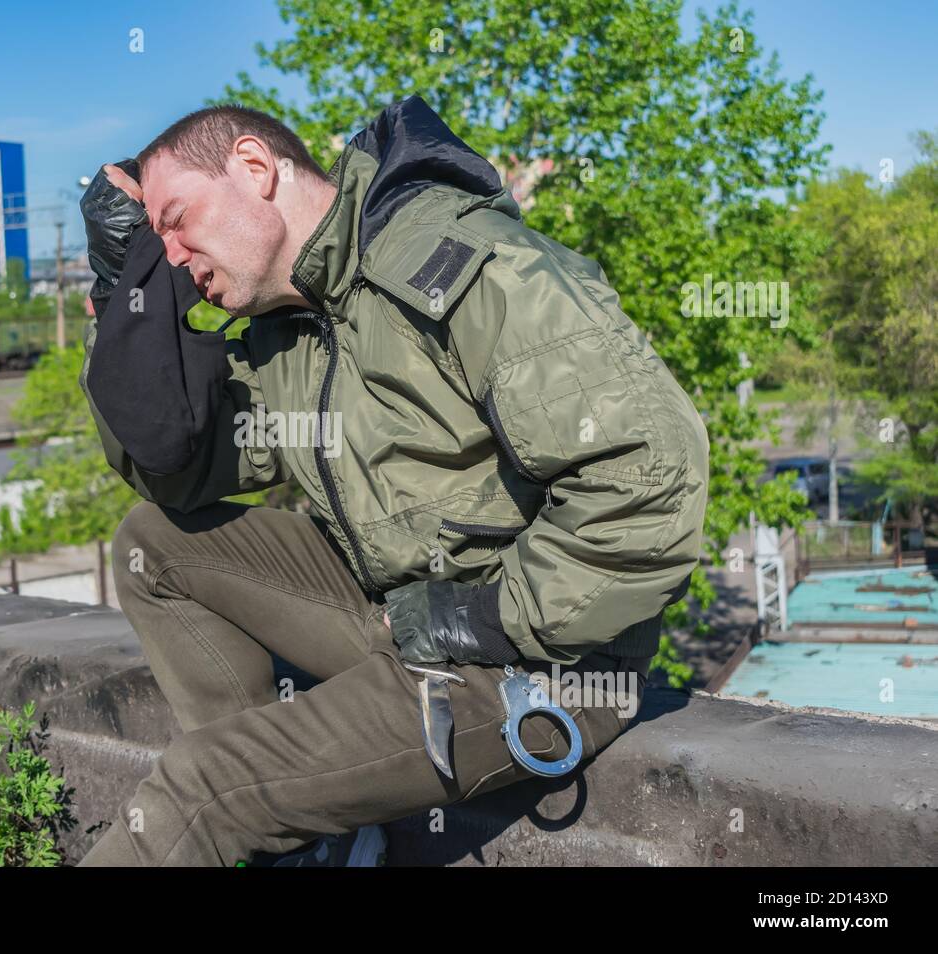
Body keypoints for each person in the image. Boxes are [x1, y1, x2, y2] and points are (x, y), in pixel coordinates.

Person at [74, 95, 709, 866]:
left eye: (174, 220)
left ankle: (242, 805)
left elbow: (651, 470)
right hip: (398, 615)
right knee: (155, 547)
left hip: (533, 661)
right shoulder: (292, 329)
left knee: (199, 789)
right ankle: (302, 835)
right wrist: (120, 293)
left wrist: (493, 618)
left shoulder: (461, 264)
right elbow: (172, 464)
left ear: (253, 167)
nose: (170, 254)